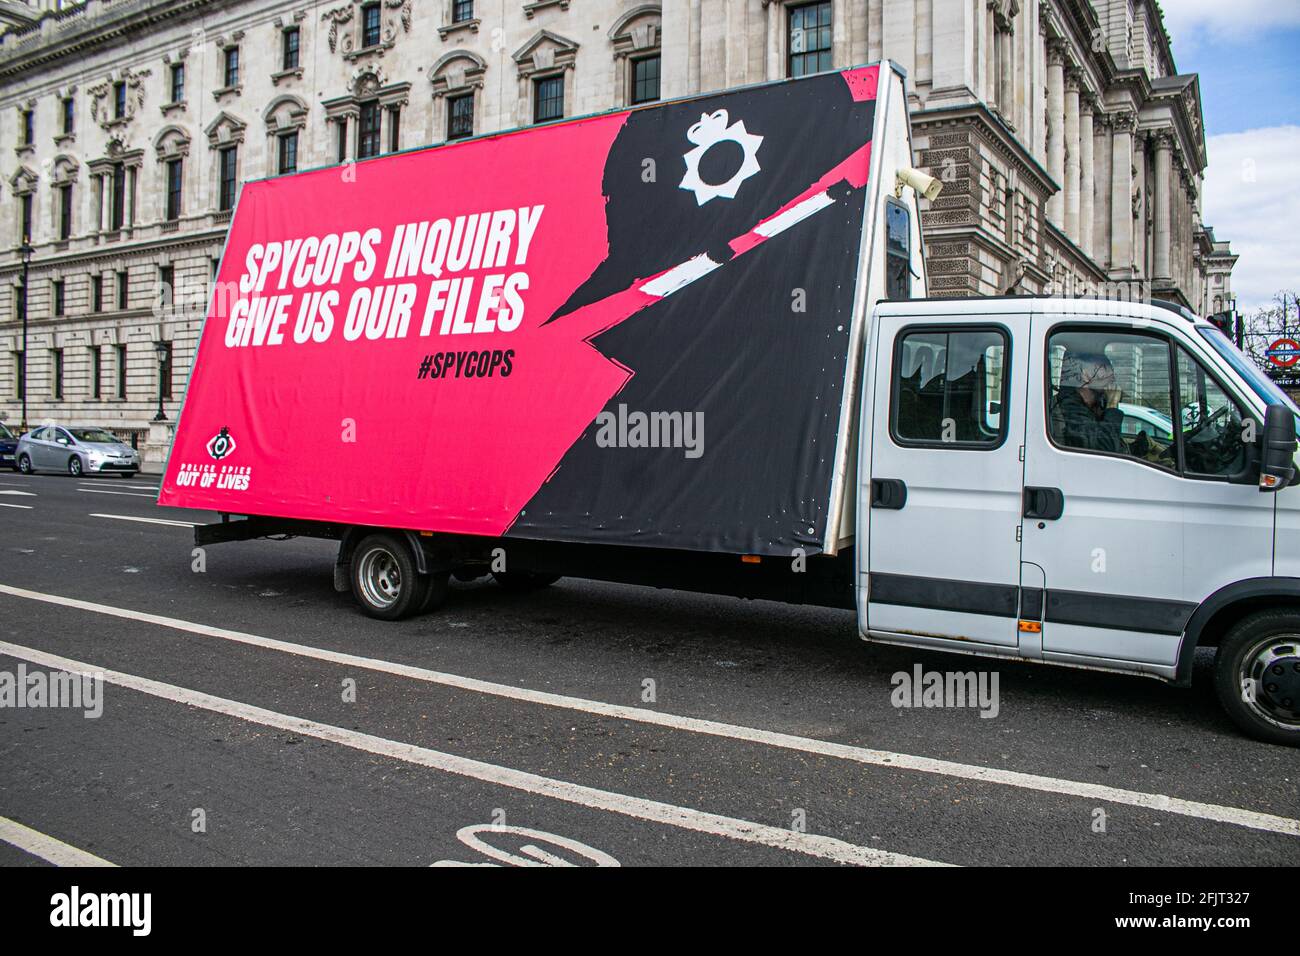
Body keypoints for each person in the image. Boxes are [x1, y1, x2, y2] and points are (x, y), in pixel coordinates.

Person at [1051, 351, 1126, 453]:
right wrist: (1112, 405)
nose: (1111, 374)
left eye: (1111, 368)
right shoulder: (1068, 408)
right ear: (1085, 374)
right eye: (1103, 368)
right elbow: (1104, 450)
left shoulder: (1093, 407)